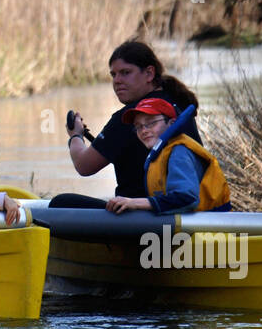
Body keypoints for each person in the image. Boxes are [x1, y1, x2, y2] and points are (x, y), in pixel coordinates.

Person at [55, 40, 203, 206]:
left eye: (125, 72)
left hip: (141, 219)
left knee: (60, 202)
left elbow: (84, 165)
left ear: (149, 73)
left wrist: (75, 135)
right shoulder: (180, 103)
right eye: (113, 75)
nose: (117, 80)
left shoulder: (128, 117)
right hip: (182, 212)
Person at [105, 97, 231, 214]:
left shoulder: (179, 153)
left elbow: (187, 199)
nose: (144, 130)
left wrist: (134, 203)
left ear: (171, 123)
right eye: (138, 127)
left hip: (210, 231)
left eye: (151, 123)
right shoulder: (164, 152)